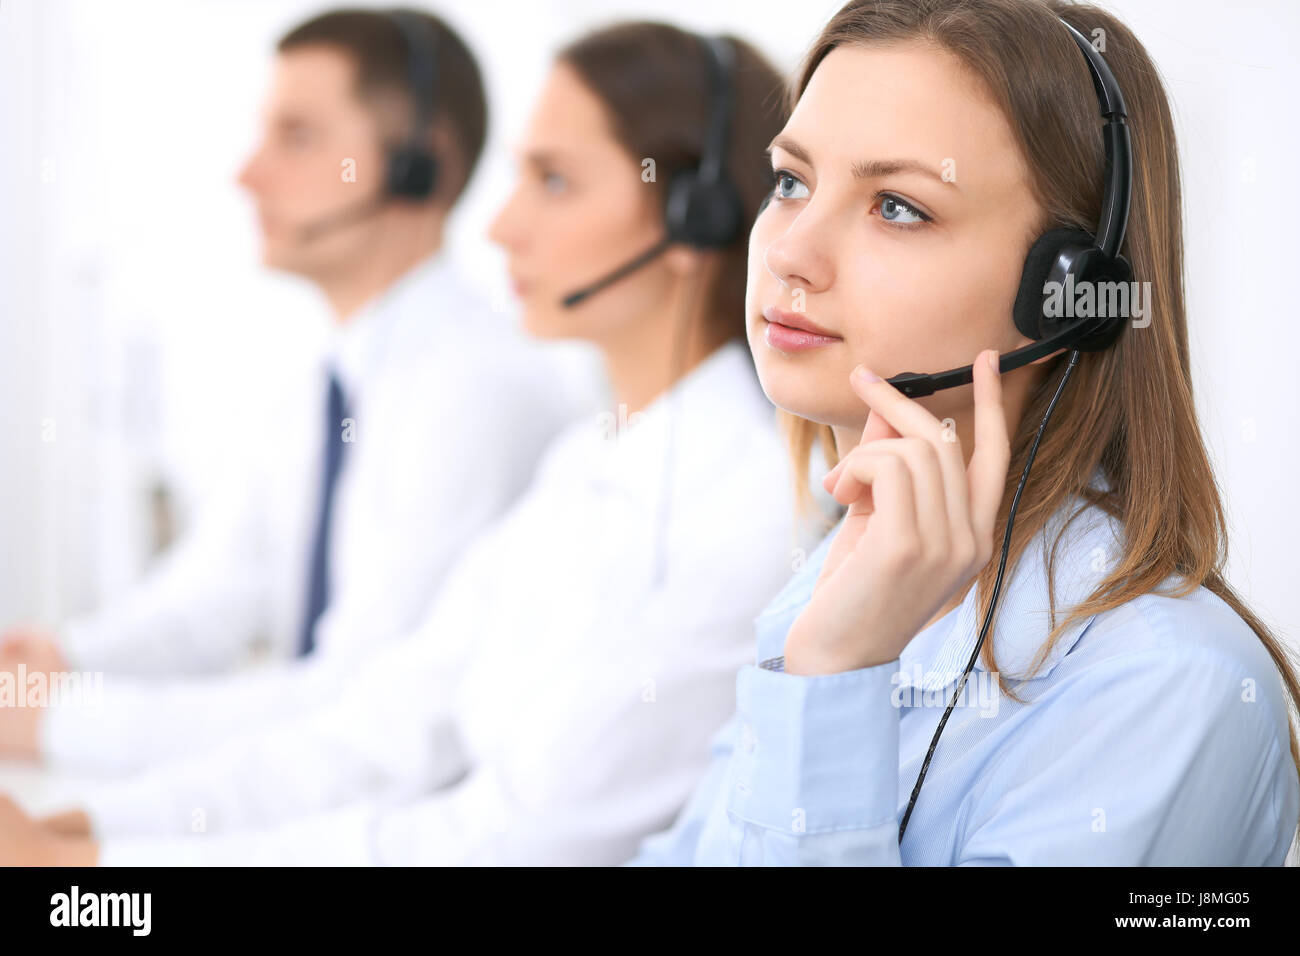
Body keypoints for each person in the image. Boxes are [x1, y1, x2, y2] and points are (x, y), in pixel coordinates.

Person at [0, 22, 809, 866]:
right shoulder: (584, 468)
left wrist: (90, 861)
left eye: (555, 182)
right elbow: (379, 728)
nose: (498, 227)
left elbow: (511, 840)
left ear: (697, 217)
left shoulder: (746, 516)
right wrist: (80, 833)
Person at [628, 0, 1300, 866]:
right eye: (791, 181)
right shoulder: (833, 578)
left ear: (1065, 292)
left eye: (898, 207)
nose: (792, 250)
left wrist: (835, 678)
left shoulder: (1170, 690)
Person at [0, 8, 586, 772]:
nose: (248, 174)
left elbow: (357, 702)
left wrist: (56, 724)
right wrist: (65, 657)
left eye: (298, 136)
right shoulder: (325, 386)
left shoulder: (478, 390)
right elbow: (214, 596)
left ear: (420, 165)